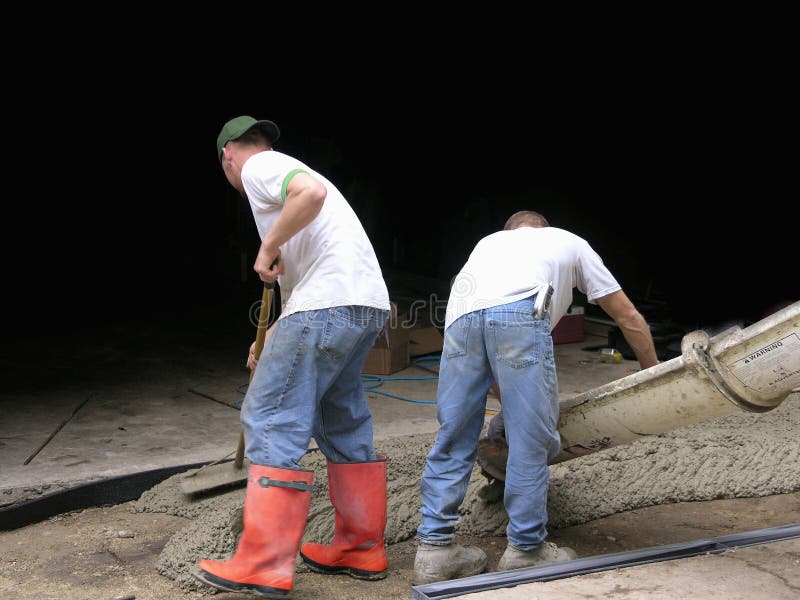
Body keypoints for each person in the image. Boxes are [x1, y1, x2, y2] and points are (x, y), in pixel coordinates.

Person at [193, 116, 392, 597]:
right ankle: (361, 548)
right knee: (339, 418)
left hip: (326, 307)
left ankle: (263, 562)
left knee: (271, 415)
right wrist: (268, 339)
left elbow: (311, 193)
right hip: (360, 305)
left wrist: (266, 245)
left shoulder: (260, 167)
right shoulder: (285, 204)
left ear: (228, 157)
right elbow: (303, 291)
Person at [413, 210, 659, 584]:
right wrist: (653, 373)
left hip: (460, 318)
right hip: (518, 314)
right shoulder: (568, 241)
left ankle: (433, 551)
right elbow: (628, 317)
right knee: (532, 439)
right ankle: (526, 550)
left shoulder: (488, 245)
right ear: (543, 228)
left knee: (454, 434)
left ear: (511, 230)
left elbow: (494, 367)